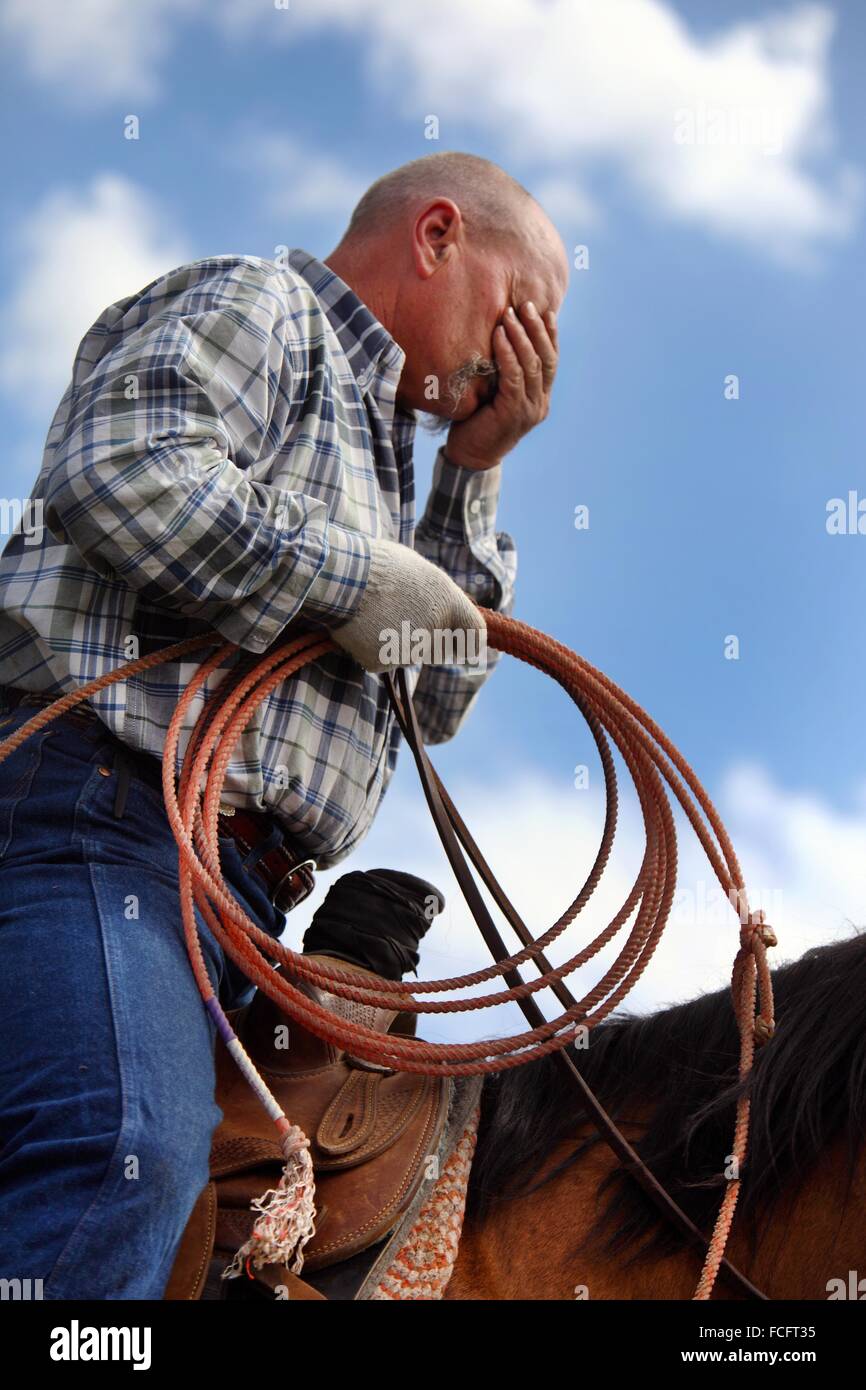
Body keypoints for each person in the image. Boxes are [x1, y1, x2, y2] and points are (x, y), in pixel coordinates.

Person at [0, 151, 567, 1298]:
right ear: (437, 236)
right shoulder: (265, 309)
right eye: (522, 316)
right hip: (101, 820)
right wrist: (351, 578)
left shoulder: (388, 461)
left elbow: (439, 693)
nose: (526, 359)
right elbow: (120, 469)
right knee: (128, 1159)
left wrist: (469, 474)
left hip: (240, 900)